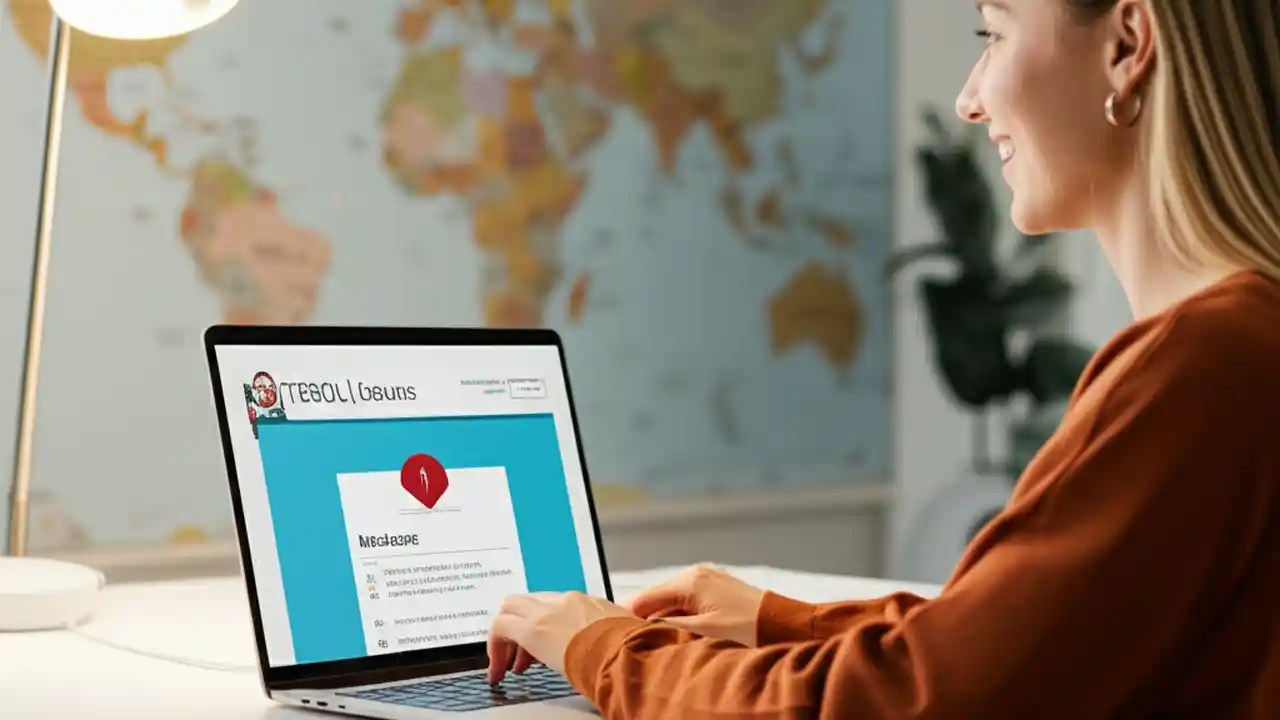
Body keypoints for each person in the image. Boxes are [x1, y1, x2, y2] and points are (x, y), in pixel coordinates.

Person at [486, 0, 1280, 716]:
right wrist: (776, 622)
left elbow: (902, 705)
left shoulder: (1200, 366)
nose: (970, 100)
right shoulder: (1247, 340)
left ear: (1128, 43)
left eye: (994, 35)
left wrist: (603, 648)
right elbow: (1026, 643)